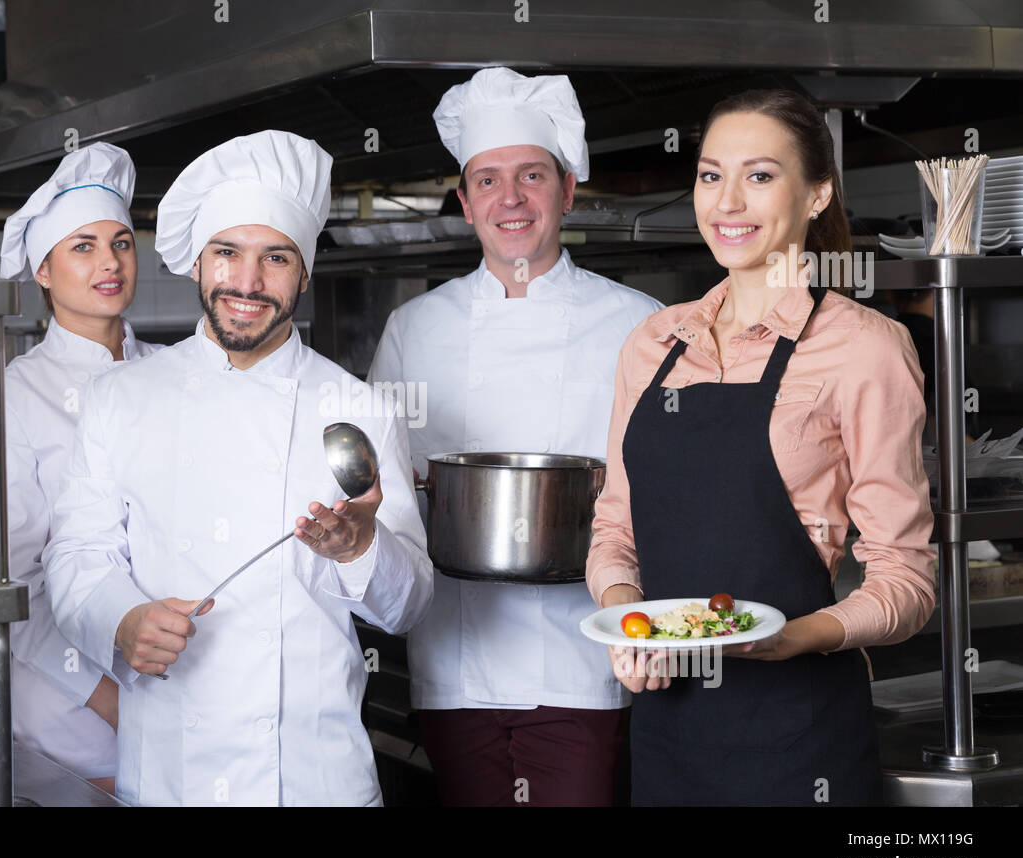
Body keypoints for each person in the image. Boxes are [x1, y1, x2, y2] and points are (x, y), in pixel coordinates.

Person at [41, 130, 434, 806]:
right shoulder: (121, 398)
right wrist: (123, 618)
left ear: (305, 273)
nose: (247, 283)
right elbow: (75, 555)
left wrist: (363, 545)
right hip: (170, 775)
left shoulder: (357, 407)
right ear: (198, 261)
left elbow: (409, 606)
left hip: (312, 781)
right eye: (227, 253)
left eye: (275, 258)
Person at [587, 89, 936, 806]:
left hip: (799, 736)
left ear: (816, 195)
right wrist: (630, 619)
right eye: (711, 175)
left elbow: (906, 581)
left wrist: (793, 638)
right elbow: (615, 530)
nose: (728, 201)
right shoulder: (652, 344)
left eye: (761, 175)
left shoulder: (865, 348)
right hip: (668, 735)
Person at [367, 67, 662, 806]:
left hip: (587, 658)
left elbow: (671, 487)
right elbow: (383, 489)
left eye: (532, 174)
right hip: (456, 661)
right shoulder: (414, 329)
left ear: (566, 190)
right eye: (488, 179)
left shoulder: (640, 324)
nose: (511, 199)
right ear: (465, 204)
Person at [0, 142, 160, 794]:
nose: (109, 261)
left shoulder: (176, 374)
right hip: (73, 712)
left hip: (183, 683)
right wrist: (109, 697)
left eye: (121, 242)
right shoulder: (14, 392)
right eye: (83, 246)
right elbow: (11, 581)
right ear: (42, 271)